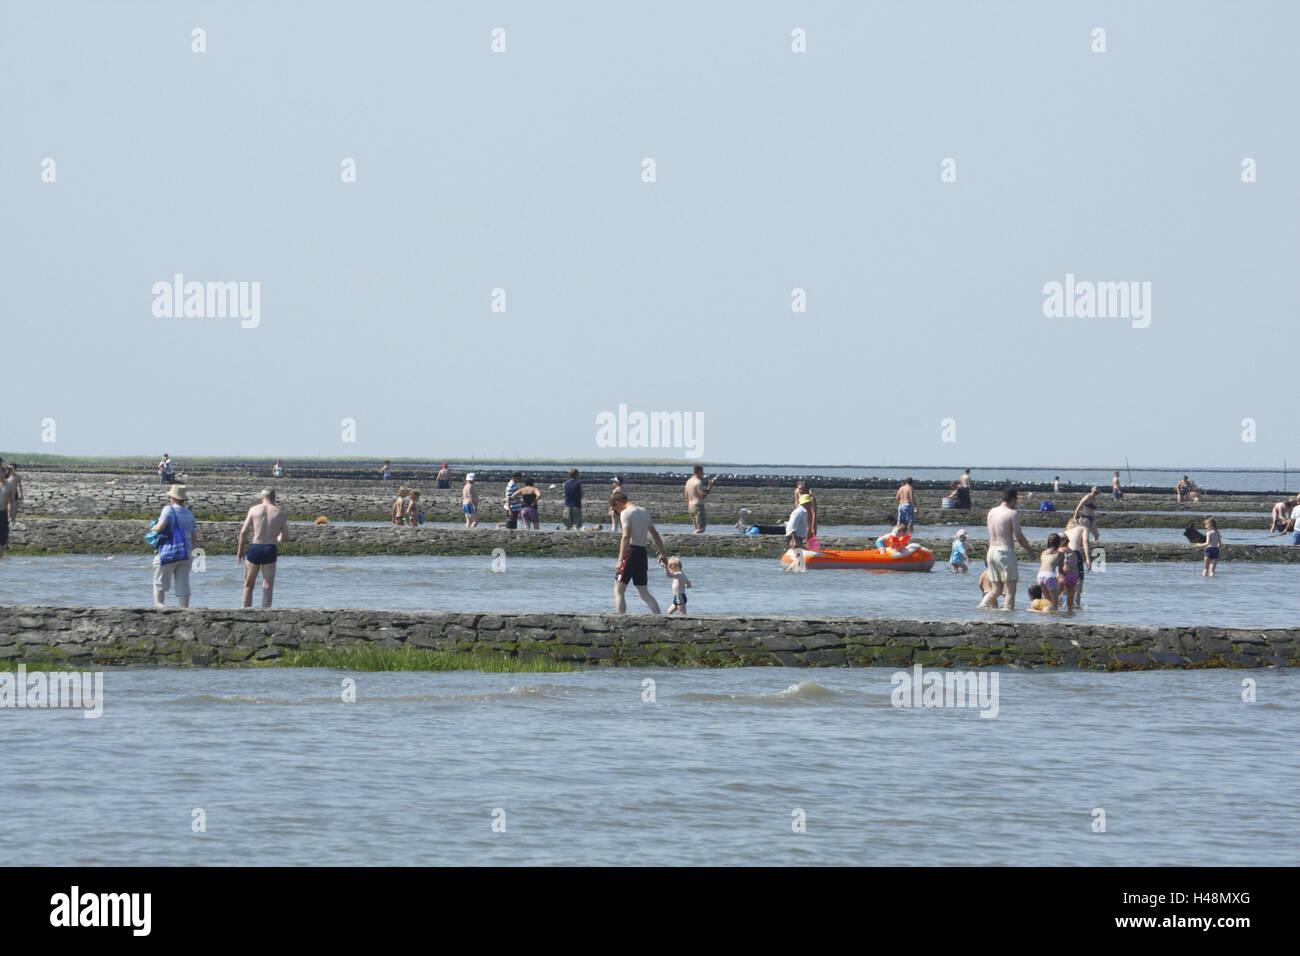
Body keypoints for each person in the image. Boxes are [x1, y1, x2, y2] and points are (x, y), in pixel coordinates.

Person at [609, 489, 669, 614]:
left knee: (618, 589)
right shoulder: (644, 512)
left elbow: (625, 537)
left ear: (617, 502)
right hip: (642, 552)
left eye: (615, 509)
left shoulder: (626, 513)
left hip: (630, 551)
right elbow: (655, 534)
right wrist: (663, 553)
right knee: (643, 591)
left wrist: (620, 561)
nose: (616, 512)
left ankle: (620, 618)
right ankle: (659, 616)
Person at [977, 488, 1036, 611]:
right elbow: (1019, 537)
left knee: (996, 590)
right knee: (1010, 591)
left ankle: (982, 607)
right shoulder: (1012, 513)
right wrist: (1030, 551)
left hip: (991, 551)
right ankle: (1008, 616)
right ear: (1013, 499)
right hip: (1004, 552)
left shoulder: (991, 512)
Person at [236, 488, 290, 608]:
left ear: (261, 499)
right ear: (274, 499)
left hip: (255, 547)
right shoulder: (279, 513)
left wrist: (240, 550)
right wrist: (279, 537)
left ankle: (246, 610)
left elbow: (243, 531)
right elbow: (285, 537)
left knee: (248, 585)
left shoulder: (254, 510)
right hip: (270, 549)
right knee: (267, 585)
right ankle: (265, 612)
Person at [150, 484, 198, 607]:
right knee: (183, 583)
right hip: (186, 552)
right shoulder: (189, 513)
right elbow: (194, 536)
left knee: (159, 581)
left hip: (169, 551)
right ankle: (184, 609)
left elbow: (160, 527)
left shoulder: (168, 509)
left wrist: (152, 528)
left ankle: (159, 606)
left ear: (172, 498)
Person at [1063, 517, 1092, 609]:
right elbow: (1085, 541)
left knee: (1064, 581)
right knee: (1078, 582)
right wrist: (1088, 558)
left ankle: (1063, 605)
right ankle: (1076, 606)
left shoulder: (1066, 532)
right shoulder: (1083, 528)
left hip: (1064, 554)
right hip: (1075, 554)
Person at [1035, 533, 1065, 612]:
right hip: (1050, 576)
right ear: (1059, 543)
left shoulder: (1043, 553)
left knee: (1048, 602)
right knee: (1055, 604)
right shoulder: (1060, 554)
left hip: (1040, 577)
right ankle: (1054, 620)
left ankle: (1046, 617)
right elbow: (1061, 571)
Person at [685, 465, 713, 533]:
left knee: (696, 528)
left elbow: (686, 495)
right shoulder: (698, 482)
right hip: (698, 506)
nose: (703, 473)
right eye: (702, 471)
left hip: (690, 506)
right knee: (701, 529)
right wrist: (709, 486)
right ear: (699, 471)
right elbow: (702, 495)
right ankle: (691, 537)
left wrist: (689, 504)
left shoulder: (688, 481)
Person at [0, 466, 17, 558]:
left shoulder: (9, 486)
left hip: (2, 513)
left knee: (2, 539)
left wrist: (12, 514)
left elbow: (11, 501)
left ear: (4, 473)